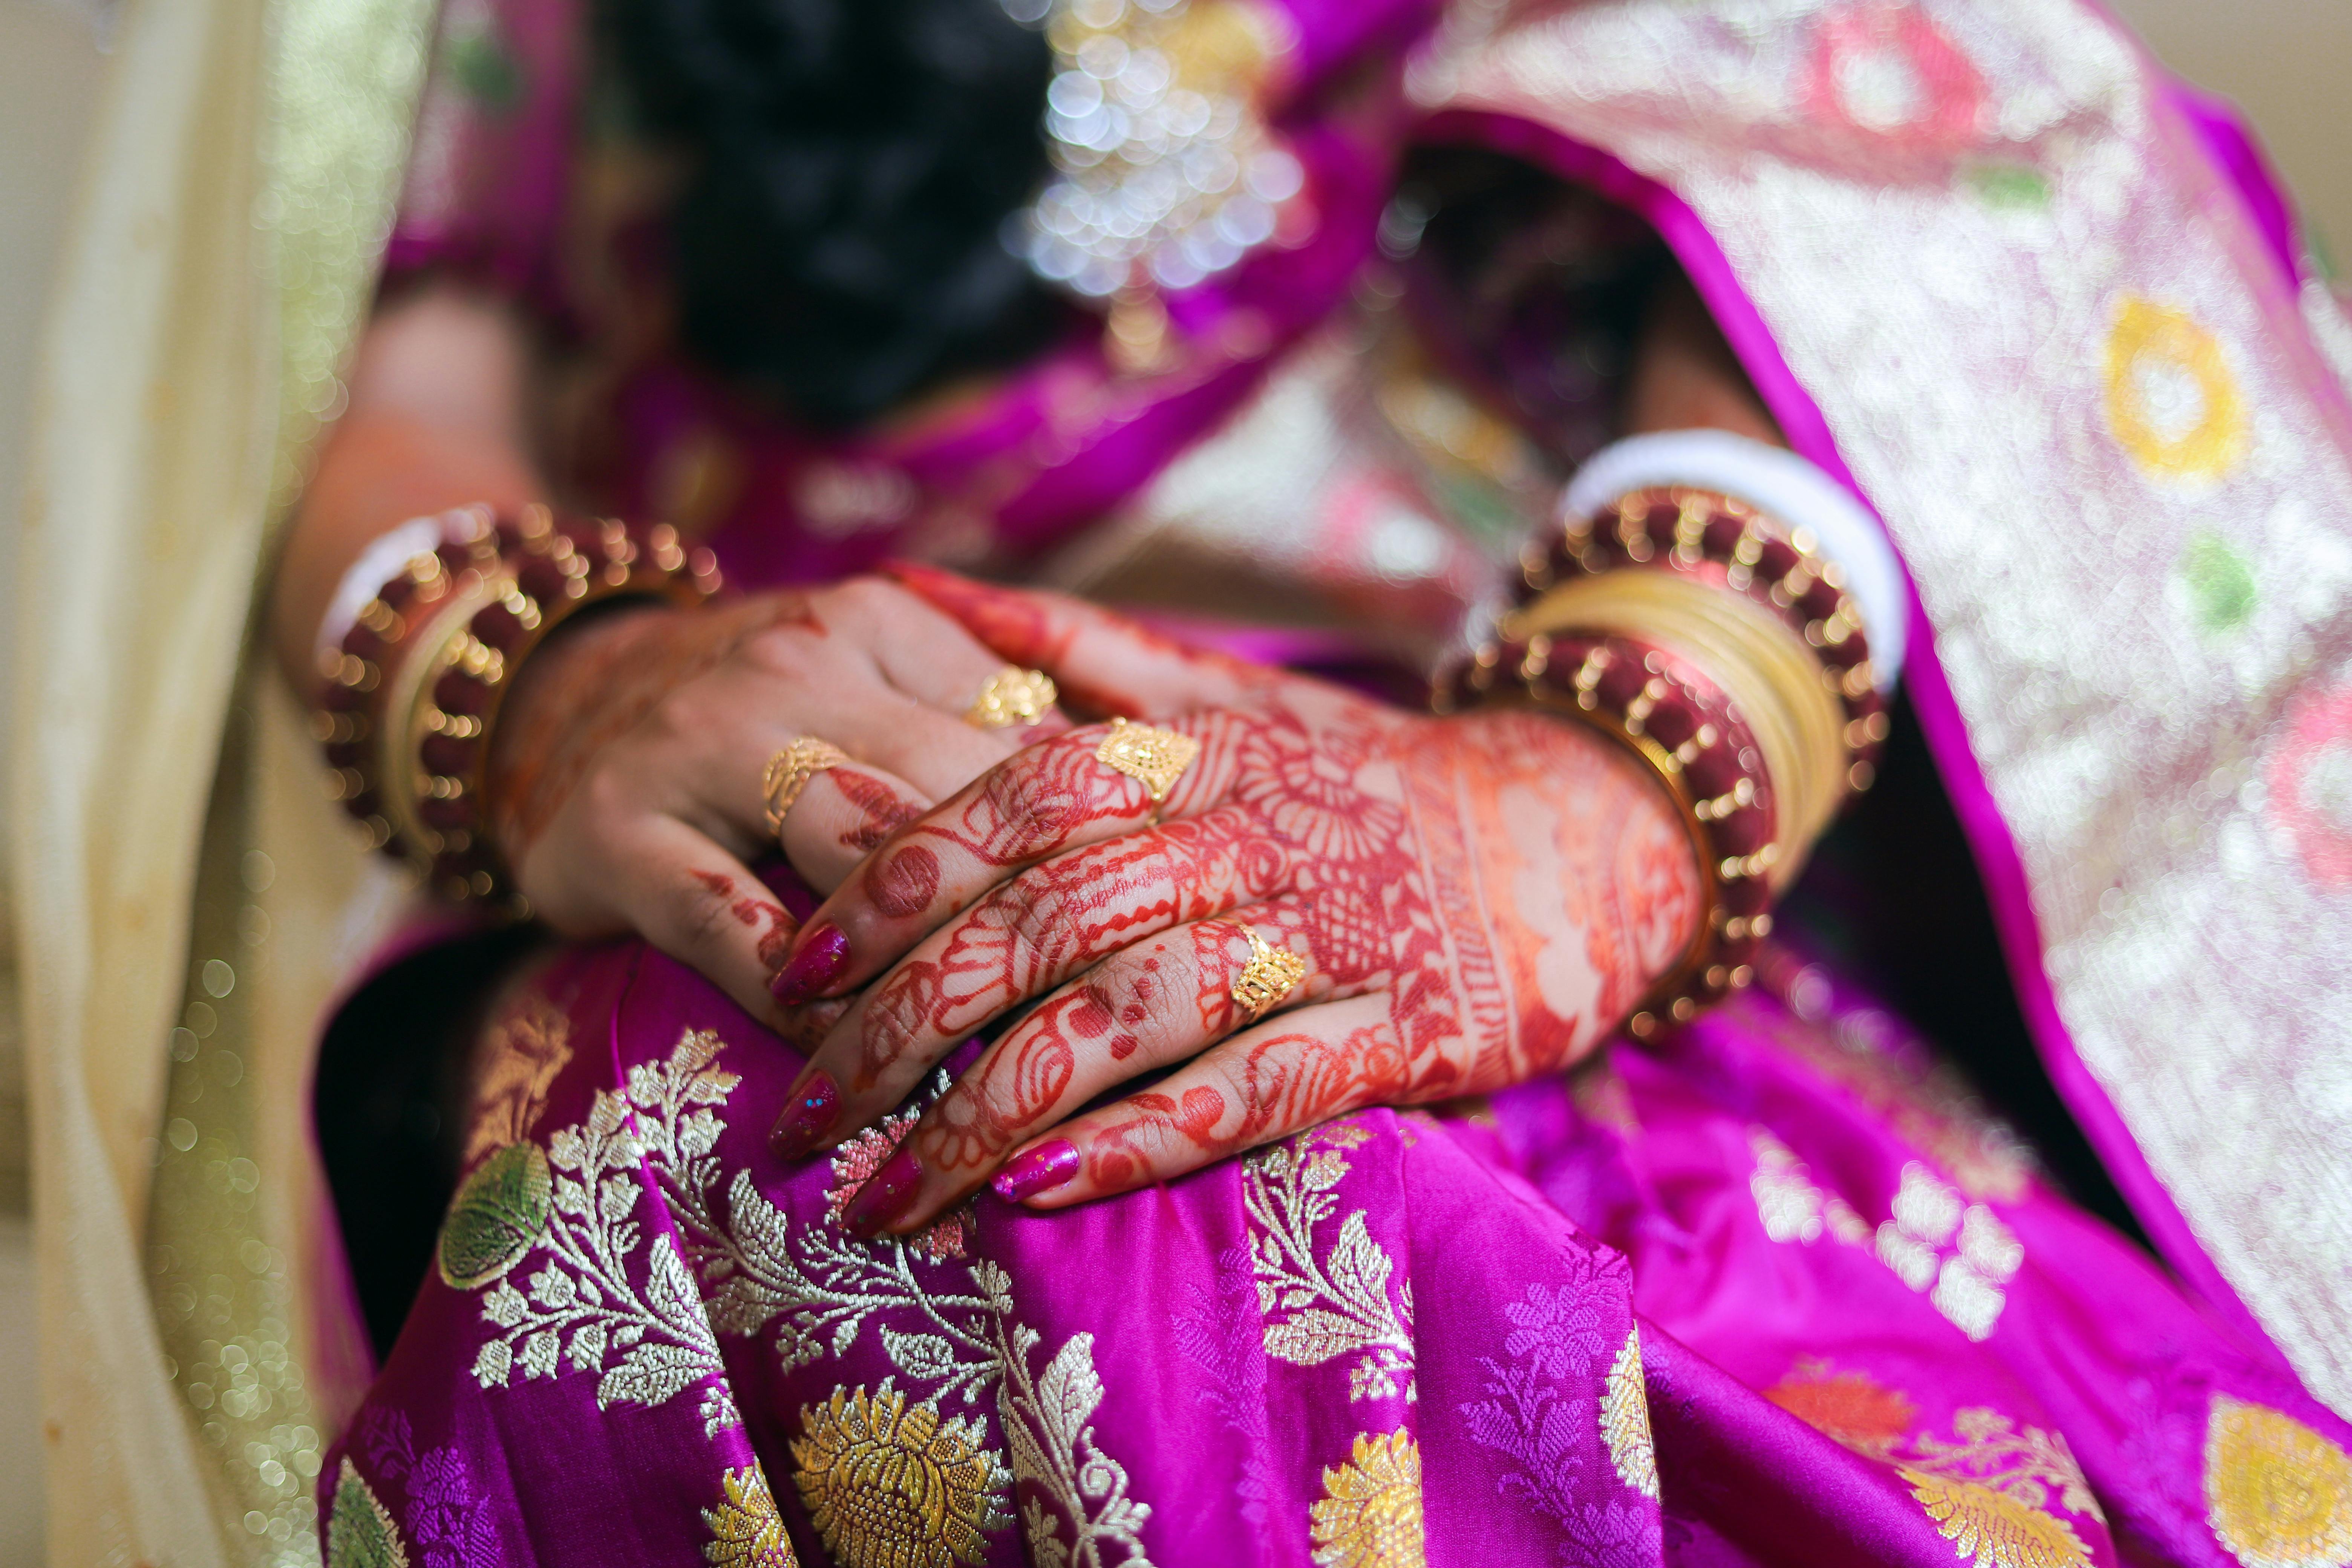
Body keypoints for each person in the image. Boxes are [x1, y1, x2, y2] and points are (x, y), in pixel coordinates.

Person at [124, 0, 2352, 1561]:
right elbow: (352, 354)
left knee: (1275, 1204)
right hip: (784, 797)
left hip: (1456, 766)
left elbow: (1869, 111)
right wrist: (556, 685)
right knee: (815, 1113)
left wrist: (1588, 796)